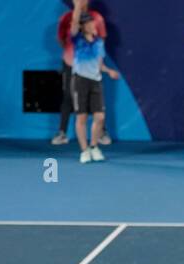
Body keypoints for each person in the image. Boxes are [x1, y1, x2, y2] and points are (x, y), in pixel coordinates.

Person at [51, 0, 109, 147]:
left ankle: (101, 133)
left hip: (92, 68)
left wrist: (98, 64)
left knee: (96, 101)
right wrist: (73, 54)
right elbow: (63, 38)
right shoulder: (67, 18)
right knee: (68, 96)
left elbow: (100, 41)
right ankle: (62, 133)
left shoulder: (97, 18)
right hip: (71, 64)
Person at [69, 6, 121, 163]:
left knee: (100, 117)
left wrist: (109, 71)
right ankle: (84, 151)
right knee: (82, 117)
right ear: (83, 26)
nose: (93, 24)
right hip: (80, 80)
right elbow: (74, 24)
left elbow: (99, 65)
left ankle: (93, 147)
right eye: (89, 23)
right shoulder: (77, 39)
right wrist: (78, 7)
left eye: (92, 22)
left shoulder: (99, 43)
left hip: (96, 81)